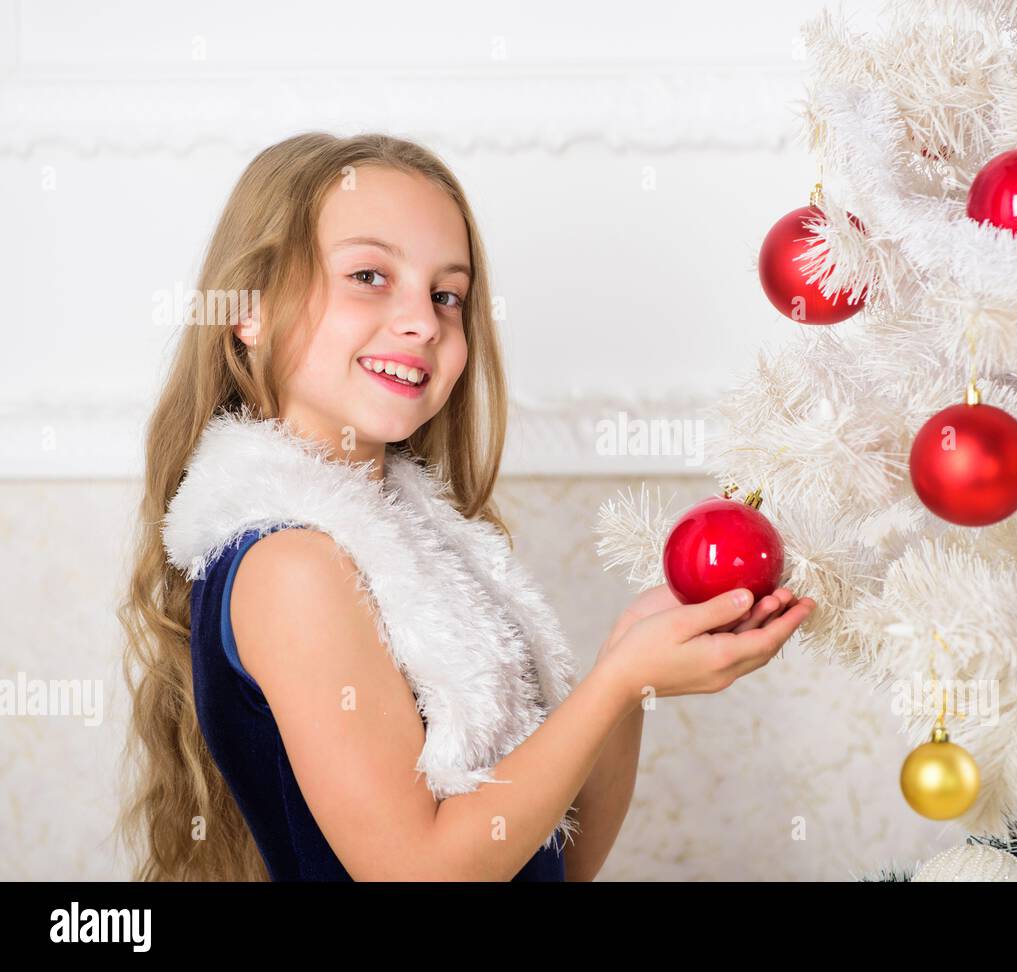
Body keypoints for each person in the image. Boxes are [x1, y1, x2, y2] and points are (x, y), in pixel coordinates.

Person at [115, 132, 816, 882]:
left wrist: (627, 670)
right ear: (248, 311)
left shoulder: (416, 551)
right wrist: (614, 682)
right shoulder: (293, 565)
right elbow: (421, 872)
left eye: (446, 293)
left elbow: (557, 862)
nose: (423, 320)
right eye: (368, 275)